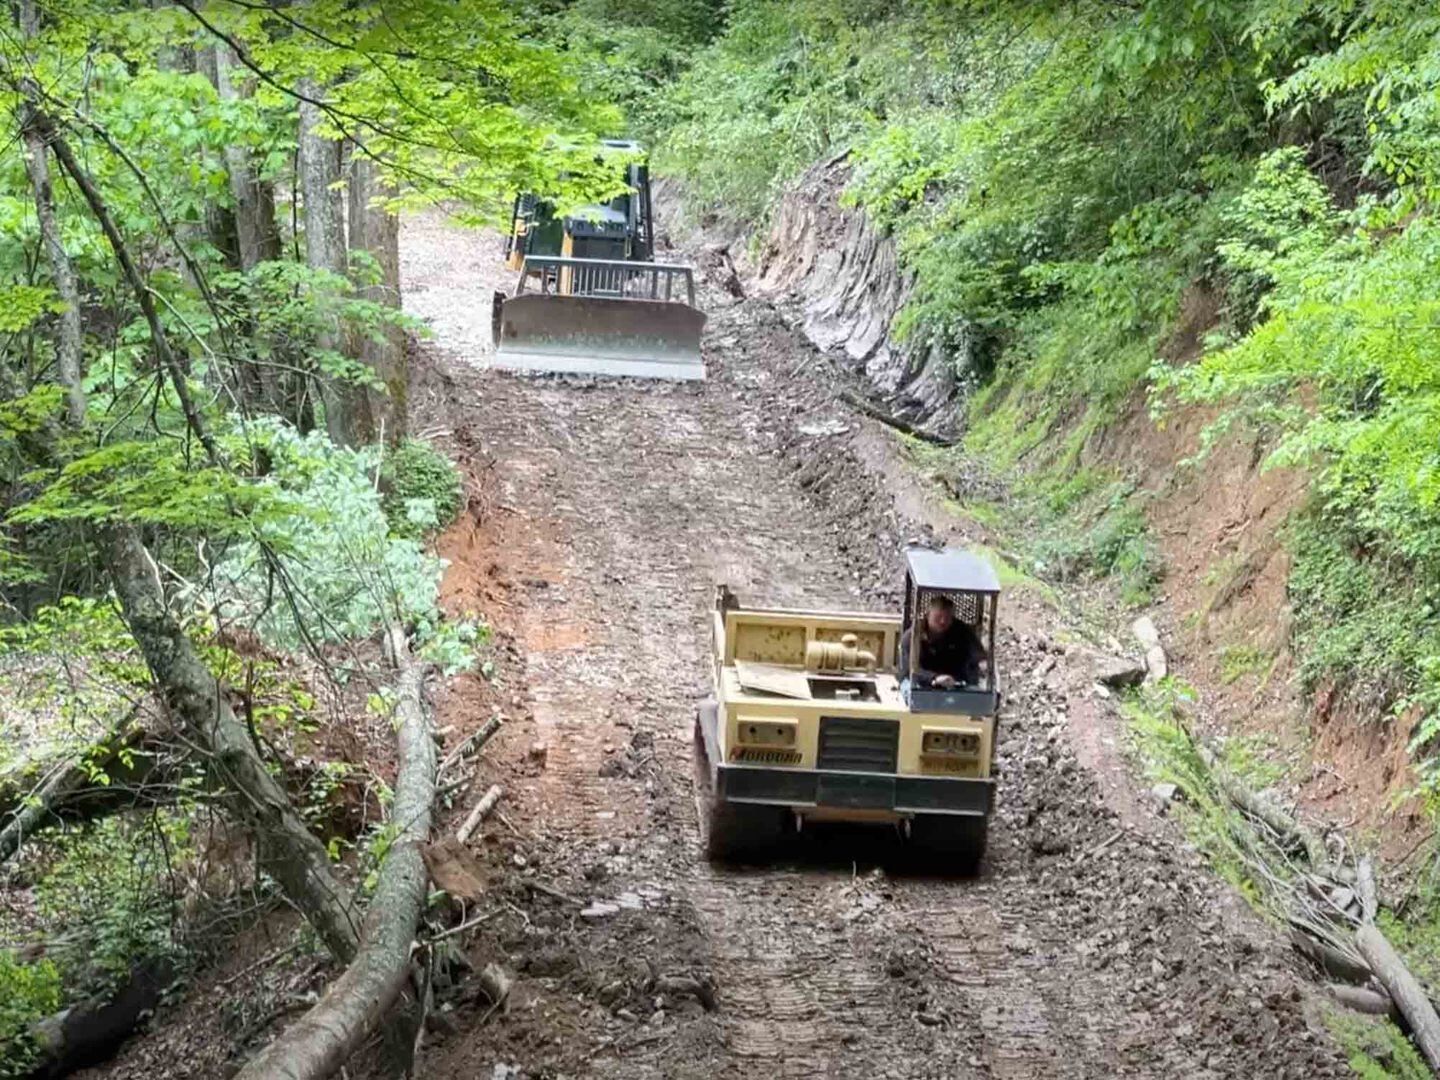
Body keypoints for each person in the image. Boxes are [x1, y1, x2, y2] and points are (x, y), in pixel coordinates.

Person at [899, 594, 983, 693]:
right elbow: (909, 669)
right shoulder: (912, 636)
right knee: (909, 688)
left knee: (977, 692)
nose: (943, 621)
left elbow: (976, 652)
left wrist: (982, 662)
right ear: (928, 615)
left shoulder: (962, 631)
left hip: (955, 683)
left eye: (947, 618)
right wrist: (934, 678)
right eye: (938, 617)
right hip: (921, 682)